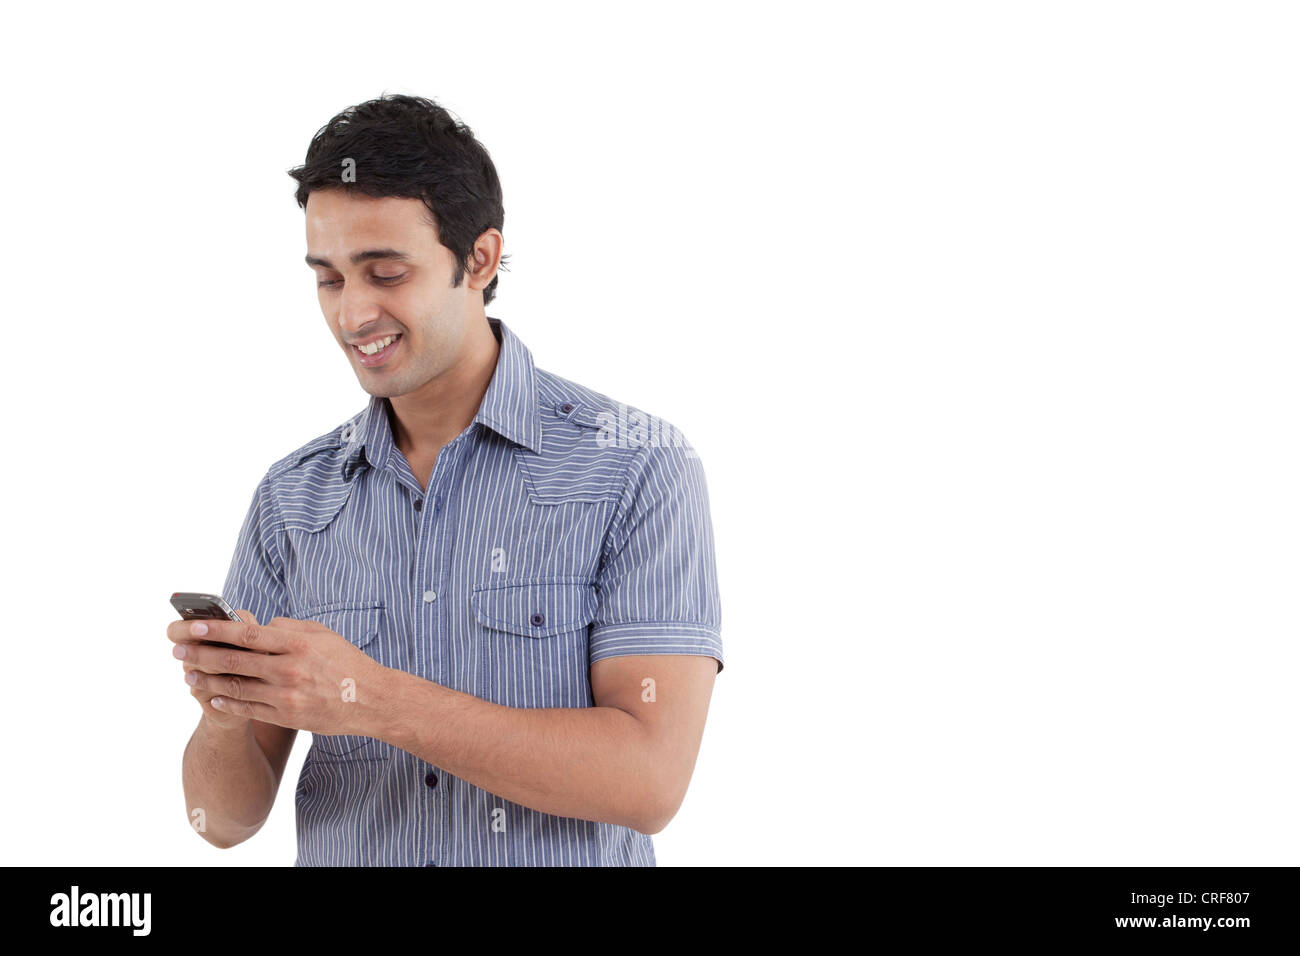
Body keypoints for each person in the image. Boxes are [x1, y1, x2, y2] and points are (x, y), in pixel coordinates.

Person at [170, 94, 723, 866]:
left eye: (386, 273)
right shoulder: (292, 498)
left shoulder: (637, 466)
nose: (353, 313)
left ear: (481, 259)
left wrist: (370, 698)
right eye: (328, 279)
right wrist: (227, 708)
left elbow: (650, 780)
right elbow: (219, 824)